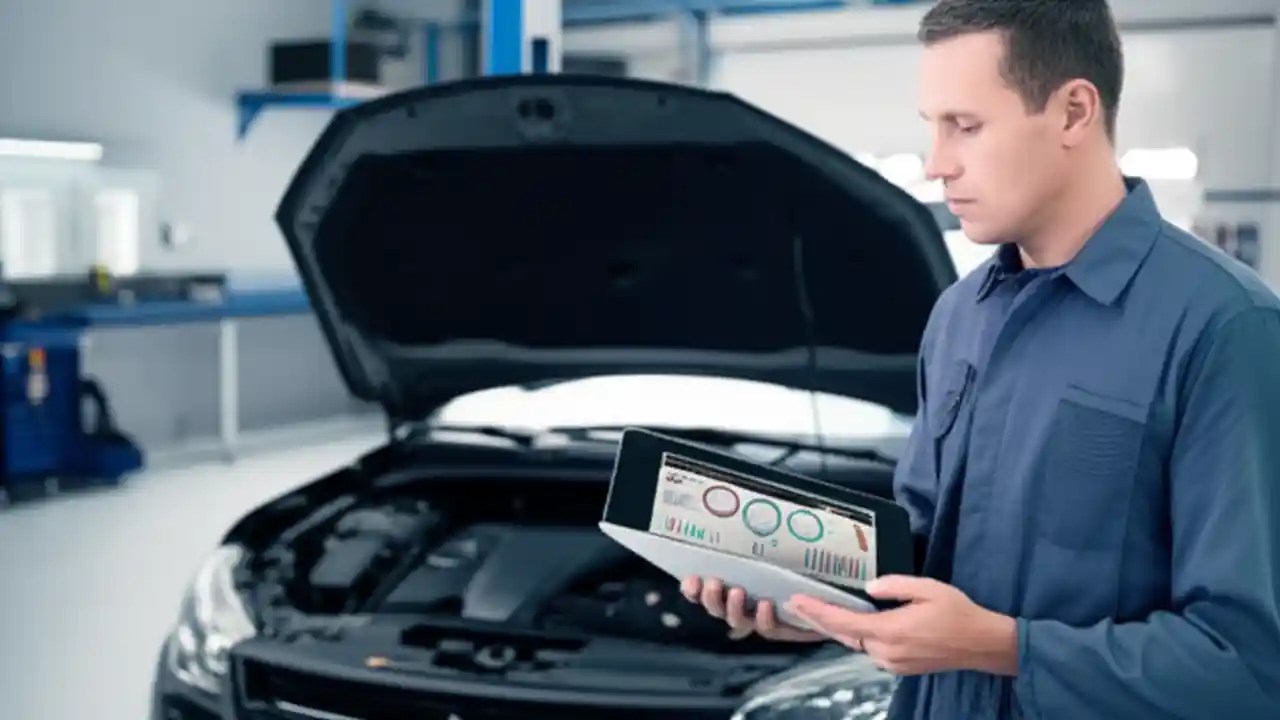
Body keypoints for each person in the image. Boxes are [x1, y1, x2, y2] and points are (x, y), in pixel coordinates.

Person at [681, 0, 1280, 717]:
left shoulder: (1225, 329)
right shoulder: (959, 318)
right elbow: (922, 565)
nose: (937, 164)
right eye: (932, 128)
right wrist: (813, 605)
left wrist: (1002, 646)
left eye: (965, 126)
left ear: (1073, 112)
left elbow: (1247, 668)